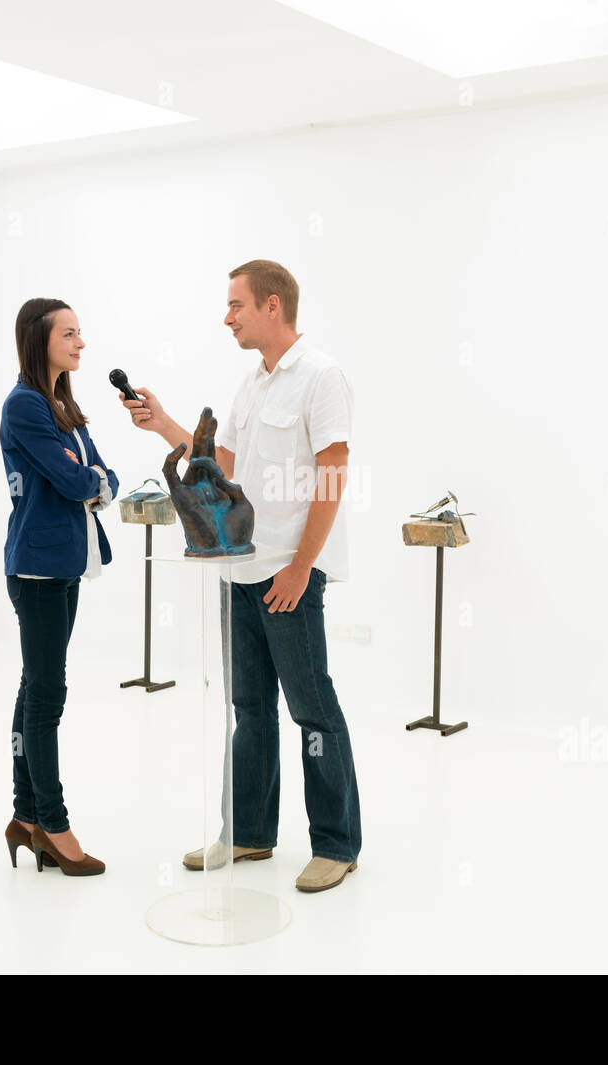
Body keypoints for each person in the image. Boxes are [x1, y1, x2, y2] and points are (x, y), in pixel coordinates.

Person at [120, 260, 361, 893]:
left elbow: (334, 476)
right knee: (249, 710)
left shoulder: (321, 376)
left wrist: (302, 568)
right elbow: (219, 464)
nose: (227, 317)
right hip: (240, 573)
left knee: (312, 710)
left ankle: (337, 845)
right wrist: (164, 424)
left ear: (272, 305)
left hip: (288, 576)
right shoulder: (251, 384)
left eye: (236, 305)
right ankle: (249, 834)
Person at [0, 297, 119, 877]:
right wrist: (87, 478)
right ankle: (52, 823)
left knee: (35, 687)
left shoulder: (63, 404)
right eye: (68, 334)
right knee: (47, 696)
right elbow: (77, 481)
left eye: (79, 333)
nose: (80, 343)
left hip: (66, 563)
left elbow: (105, 477)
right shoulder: (25, 404)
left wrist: (90, 477)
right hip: (38, 569)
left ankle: (25, 817)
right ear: (38, 339)